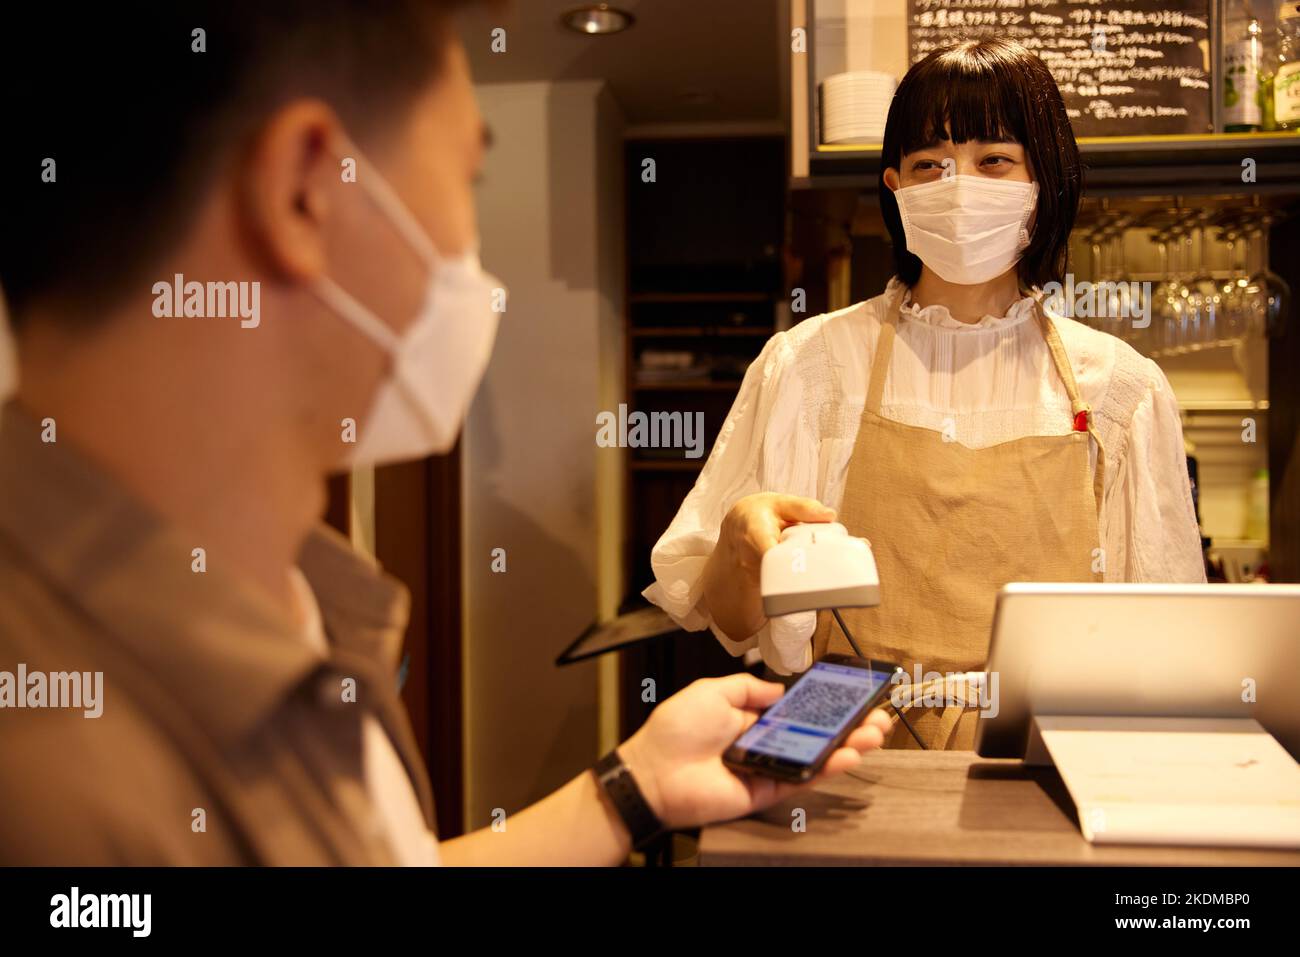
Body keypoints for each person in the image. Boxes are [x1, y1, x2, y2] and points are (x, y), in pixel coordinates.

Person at [0, 2, 890, 865]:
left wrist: (635, 787)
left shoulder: (275, 584)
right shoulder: (60, 784)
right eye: (470, 179)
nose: (476, 261)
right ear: (305, 192)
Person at [645, 39, 1206, 750]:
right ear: (895, 186)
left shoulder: (1122, 391)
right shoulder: (811, 364)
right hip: (848, 748)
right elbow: (730, 622)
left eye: (993, 160)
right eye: (929, 166)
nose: (959, 183)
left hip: (1045, 757)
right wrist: (737, 540)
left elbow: (1164, 644)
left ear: (1045, 181)